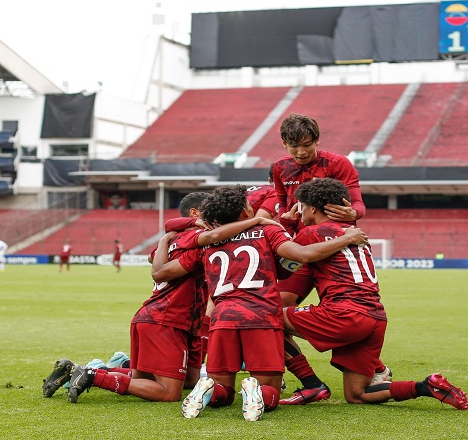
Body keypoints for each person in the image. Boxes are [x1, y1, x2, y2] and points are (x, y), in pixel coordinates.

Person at [152, 185, 369, 421]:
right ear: (245, 212)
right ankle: (256, 392)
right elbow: (298, 256)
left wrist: (165, 239)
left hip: (223, 319)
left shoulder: (205, 242)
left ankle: (209, 390)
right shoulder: (266, 231)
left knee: (223, 392)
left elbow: (161, 272)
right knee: (271, 392)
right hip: (262, 318)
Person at [61, 192, 279, 404]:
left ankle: (102, 369)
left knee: (186, 380)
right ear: (196, 213)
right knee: (168, 392)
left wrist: (166, 236)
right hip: (168, 318)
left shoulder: (175, 237)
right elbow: (166, 267)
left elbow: (153, 256)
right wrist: (259, 221)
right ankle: (93, 375)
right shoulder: (199, 240)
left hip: (165, 318)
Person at [281, 178, 468, 410]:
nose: (298, 211)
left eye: (300, 206)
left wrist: (286, 225)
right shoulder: (354, 233)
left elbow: (284, 261)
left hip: (344, 313)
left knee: (265, 319)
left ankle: (311, 383)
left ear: (311, 208)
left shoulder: (312, 232)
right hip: (375, 318)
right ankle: (424, 387)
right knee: (357, 394)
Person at [270, 113, 389, 398]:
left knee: (338, 310)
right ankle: (305, 379)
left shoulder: (338, 163)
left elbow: (358, 204)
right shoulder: (279, 169)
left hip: (331, 247)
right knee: (276, 305)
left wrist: (353, 213)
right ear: (284, 143)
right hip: (302, 248)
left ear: (317, 140)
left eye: (307, 145)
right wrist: (285, 223)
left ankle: (373, 367)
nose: (300, 152)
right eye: (293, 146)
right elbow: (280, 205)